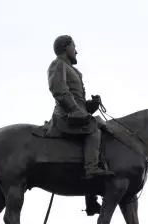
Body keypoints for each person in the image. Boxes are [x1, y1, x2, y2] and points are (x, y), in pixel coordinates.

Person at [47, 35, 113, 180]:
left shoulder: (75, 71)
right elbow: (58, 89)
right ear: (66, 47)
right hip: (65, 116)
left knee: (102, 124)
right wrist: (74, 110)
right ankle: (92, 168)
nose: (76, 51)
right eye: (74, 47)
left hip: (74, 113)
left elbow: (80, 104)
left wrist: (92, 105)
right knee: (94, 127)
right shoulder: (58, 64)